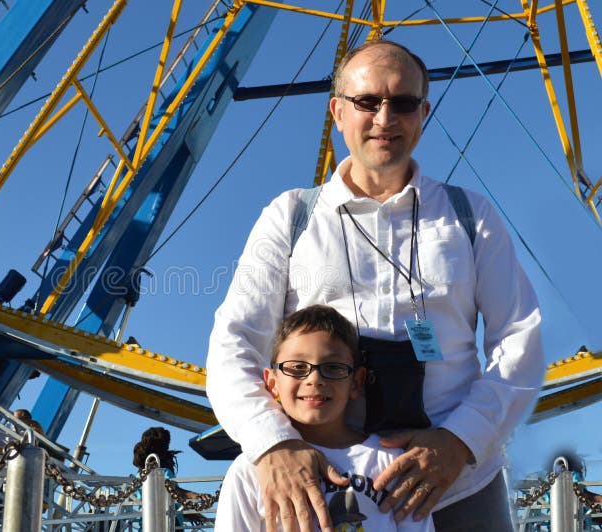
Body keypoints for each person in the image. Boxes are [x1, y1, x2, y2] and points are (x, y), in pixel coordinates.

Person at [206, 38, 545, 532]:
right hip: (321, 484)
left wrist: (461, 439)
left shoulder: (470, 216)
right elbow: (234, 340)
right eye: (367, 102)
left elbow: (521, 335)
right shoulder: (291, 217)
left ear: (423, 113)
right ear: (337, 111)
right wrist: (273, 444)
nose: (385, 117)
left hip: (454, 483)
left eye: (403, 102)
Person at [216, 305, 435, 531]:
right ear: (272, 383)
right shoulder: (251, 470)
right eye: (298, 367)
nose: (315, 379)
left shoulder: (392, 463)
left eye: (332, 367)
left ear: (357, 382)